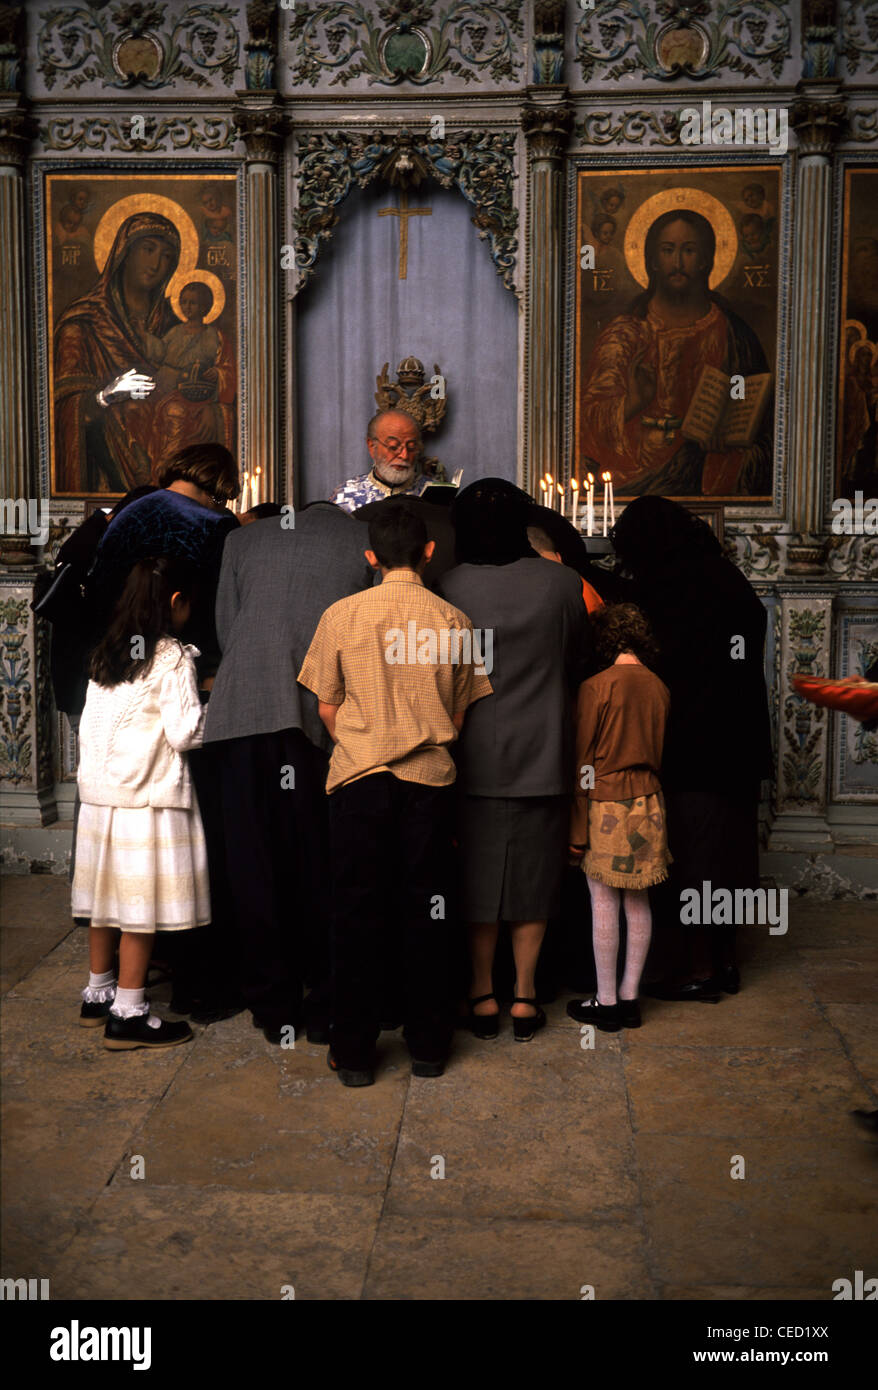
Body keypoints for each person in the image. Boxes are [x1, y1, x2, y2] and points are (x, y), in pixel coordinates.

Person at [298, 500, 493, 1086]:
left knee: (356, 913)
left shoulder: (341, 614)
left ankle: (354, 1053)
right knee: (429, 912)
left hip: (359, 783)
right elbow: (460, 713)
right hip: (429, 786)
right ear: (430, 552)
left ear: (370, 556)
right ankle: (429, 1046)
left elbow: (326, 703)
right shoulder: (455, 620)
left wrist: (362, 742)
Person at [204, 501, 374, 1045]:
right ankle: (326, 1001)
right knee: (322, 860)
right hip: (318, 720)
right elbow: (364, 638)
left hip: (241, 715)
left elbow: (228, 633)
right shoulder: (363, 539)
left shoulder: (242, 541)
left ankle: (272, 1005)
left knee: (252, 863)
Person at [85, 441, 241, 1021]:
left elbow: (103, 593)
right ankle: (184, 977)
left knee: (112, 871)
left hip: (114, 670)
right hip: (183, 680)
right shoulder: (217, 527)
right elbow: (224, 612)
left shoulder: (130, 510)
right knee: (177, 856)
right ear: (219, 484)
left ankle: (105, 985)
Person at [439, 479, 594, 1041]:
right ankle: (525, 997)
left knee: (477, 884)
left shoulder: (448, 585)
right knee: (534, 883)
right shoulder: (562, 583)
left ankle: (481, 995)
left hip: (469, 756)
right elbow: (579, 656)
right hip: (544, 753)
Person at [610, 497, 772, 1001]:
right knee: (729, 854)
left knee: (695, 854)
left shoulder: (674, 587)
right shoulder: (723, 575)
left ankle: (696, 968)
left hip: (697, 744)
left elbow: (662, 650)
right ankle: (721, 961)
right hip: (738, 744)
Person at [72, 557, 207, 1050]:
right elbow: (186, 732)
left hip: (100, 798)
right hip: (144, 800)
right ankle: (129, 1011)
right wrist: (219, 709)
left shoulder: (110, 650)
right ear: (175, 602)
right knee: (138, 908)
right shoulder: (170, 654)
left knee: (105, 903)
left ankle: (98, 992)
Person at [578, 208, 772, 497]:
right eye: (668, 250)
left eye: (690, 250)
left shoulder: (734, 334)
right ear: (652, 260)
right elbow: (586, 428)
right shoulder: (625, 335)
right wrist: (632, 402)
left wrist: (731, 436)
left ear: (707, 259)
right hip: (630, 480)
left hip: (708, 477)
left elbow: (762, 420)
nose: (678, 262)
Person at [566, 603, 671, 1033]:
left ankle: (605, 1002)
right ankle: (630, 1000)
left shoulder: (595, 686)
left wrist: (576, 826)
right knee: (639, 900)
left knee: (603, 901)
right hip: (650, 802)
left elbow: (584, 762)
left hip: (605, 803)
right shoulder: (660, 687)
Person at [53, 212, 181, 493]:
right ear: (124, 252)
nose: (157, 264)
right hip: (108, 476)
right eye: (148, 250)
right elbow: (65, 410)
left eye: (168, 257)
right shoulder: (82, 324)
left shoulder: (174, 324)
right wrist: (106, 396)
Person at [153, 281, 236, 467]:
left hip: (206, 398)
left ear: (205, 307)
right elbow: (157, 361)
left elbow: (228, 370)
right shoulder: (173, 334)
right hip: (175, 395)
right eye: (184, 302)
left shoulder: (215, 336)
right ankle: (167, 467)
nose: (187, 307)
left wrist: (218, 373)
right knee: (175, 413)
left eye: (193, 303)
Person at [328, 409, 433, 512]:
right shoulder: (345, 496)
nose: (404, 456)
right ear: (372, 446)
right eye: (393, 447)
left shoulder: (435, 495)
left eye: (411, 447)